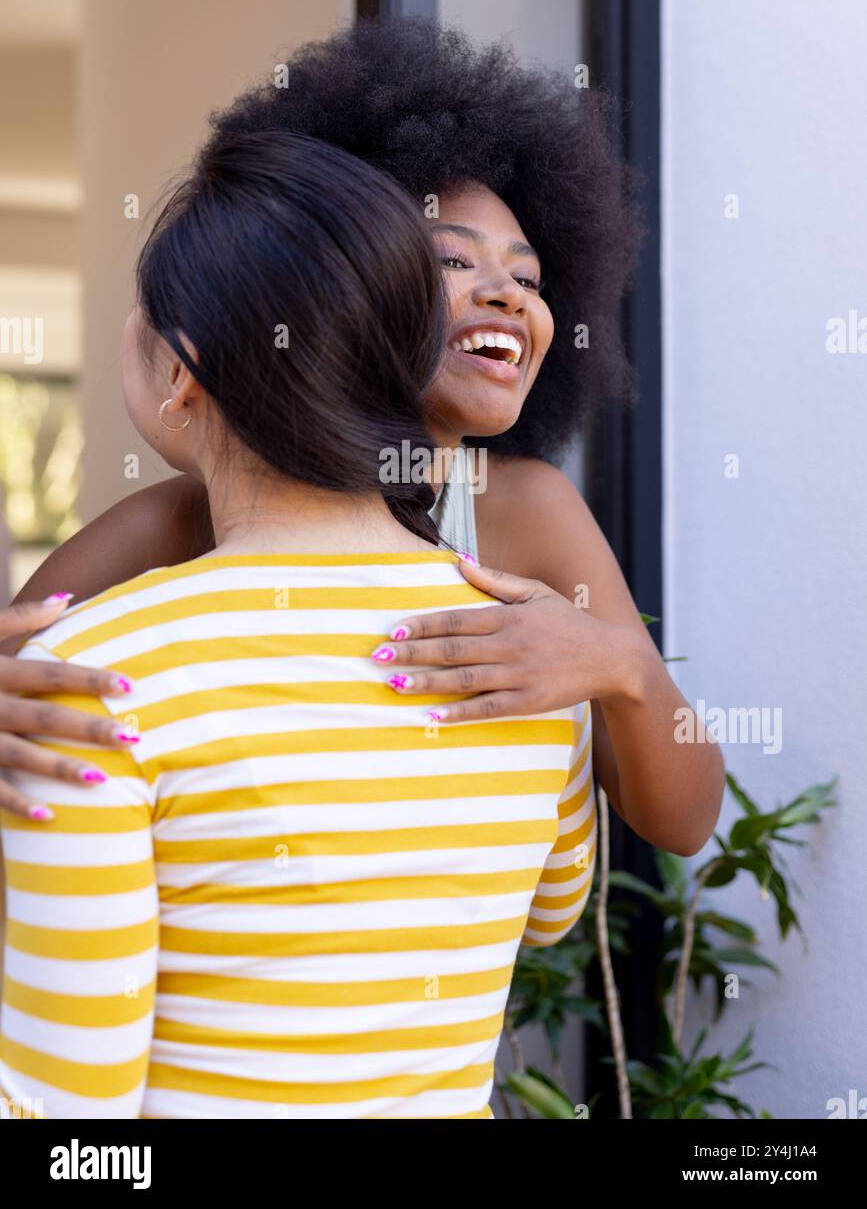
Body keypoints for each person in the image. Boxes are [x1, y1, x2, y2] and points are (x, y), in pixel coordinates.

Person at [0, 17, 723, 859]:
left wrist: (622, 673)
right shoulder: (180, 522)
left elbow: (683, 822)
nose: (507, 295)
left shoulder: (525, 512)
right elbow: (29, 678)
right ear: (345, 287)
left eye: (528, 277)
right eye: (452, 262)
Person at [0, 129, 594, 1119]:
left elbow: (68, 1118)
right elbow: (551, 909)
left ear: (181, 367)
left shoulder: (93, 679)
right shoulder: (527, 646)